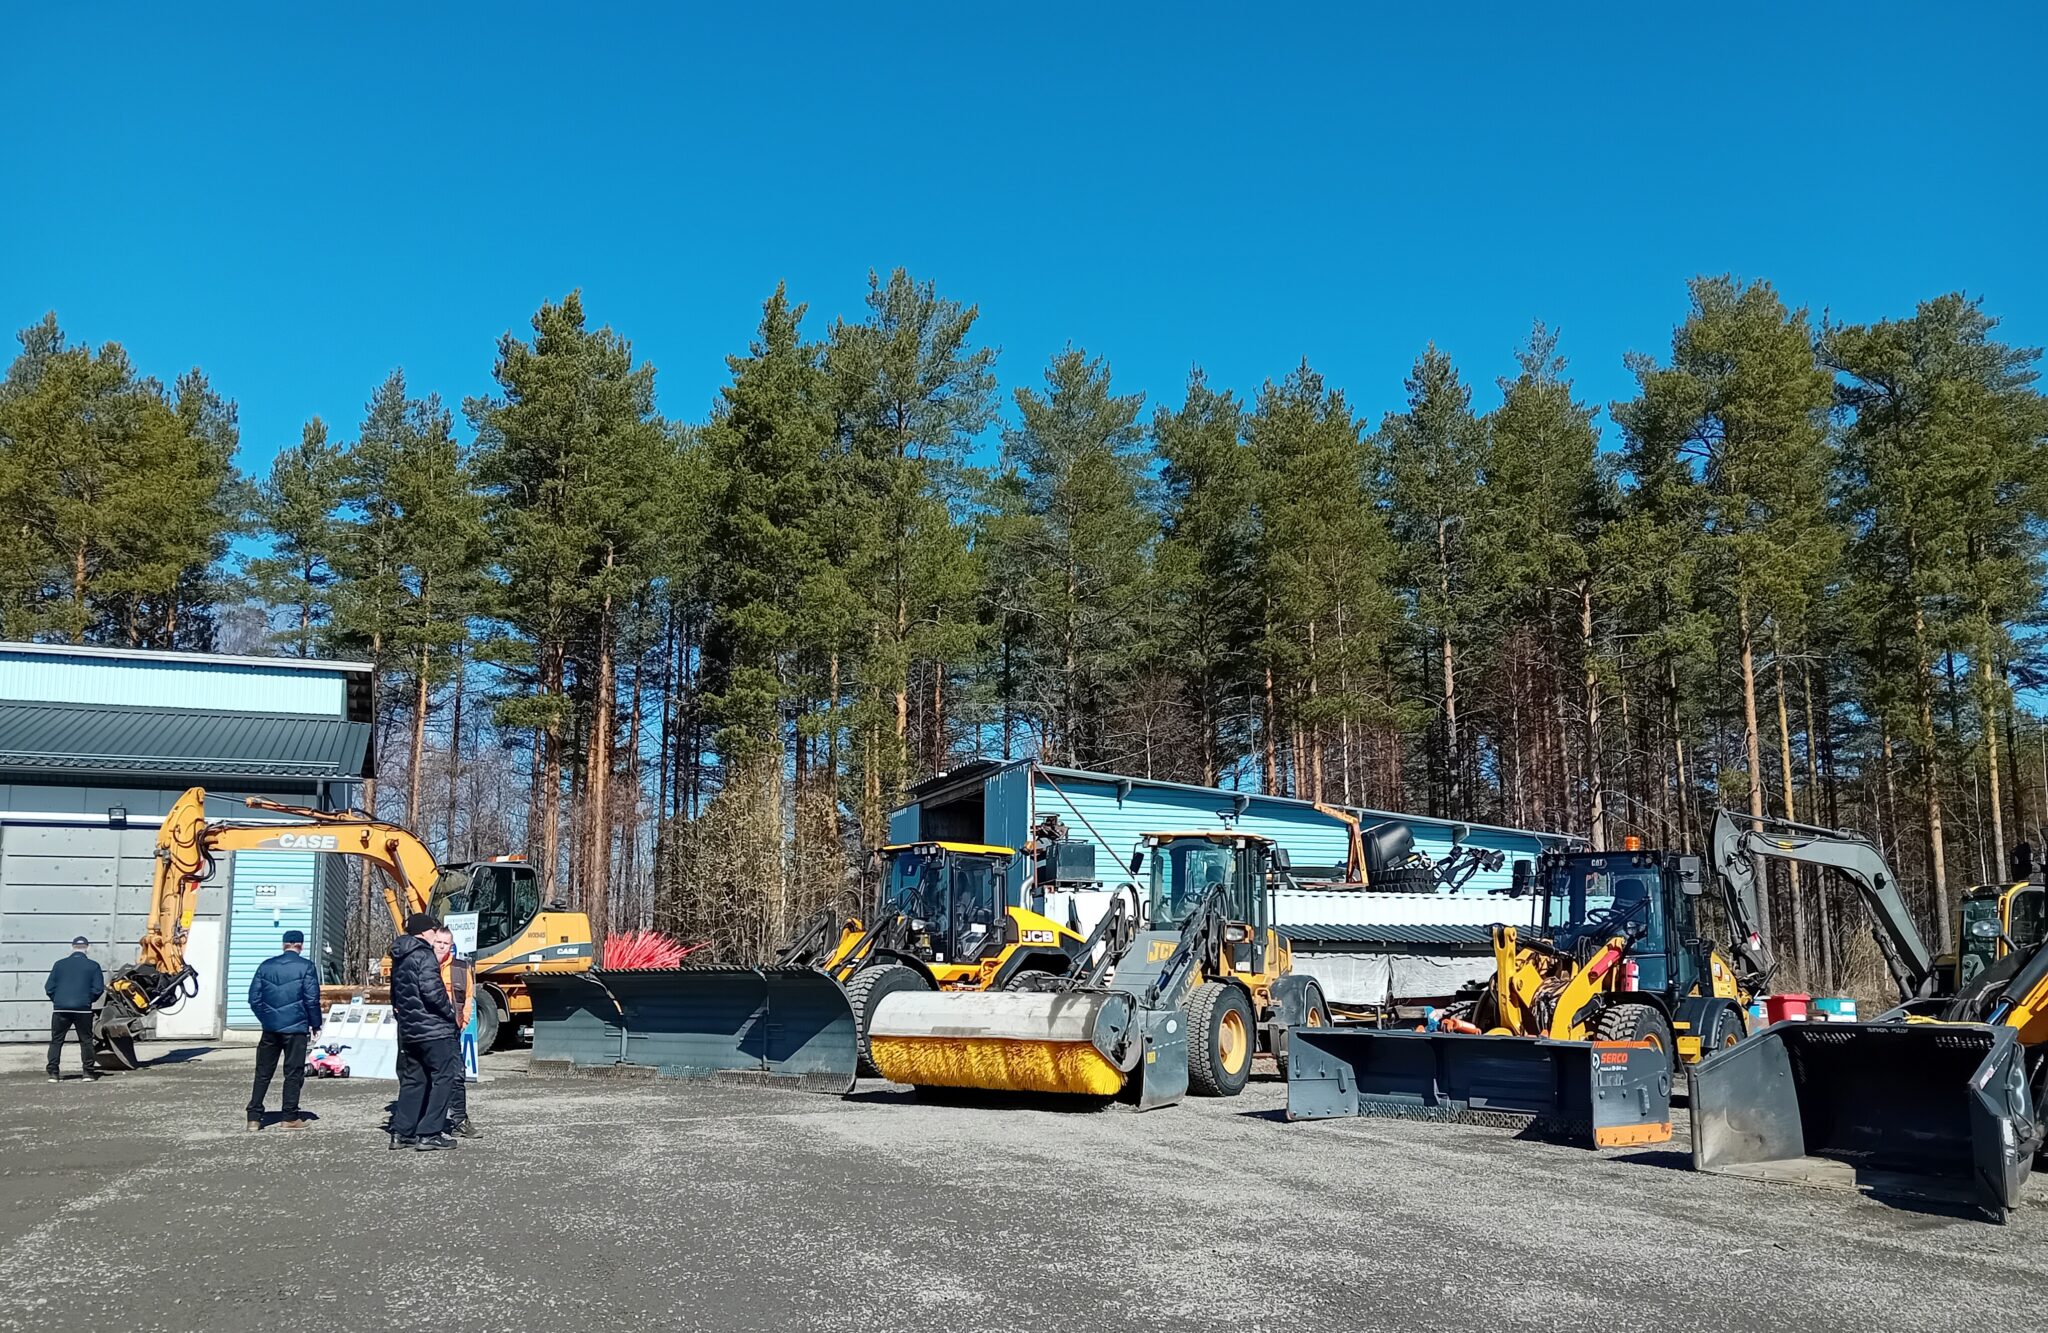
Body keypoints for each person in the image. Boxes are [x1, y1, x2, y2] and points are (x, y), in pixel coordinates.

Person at [388, 912, 462, 1151]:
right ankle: (429, 1132)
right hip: (433, 1029)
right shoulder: (424, 955)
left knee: (414, 1079)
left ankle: (402, 1132)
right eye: (433, 930)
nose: (435, 935)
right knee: (444, 1077)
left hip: (409, 1029)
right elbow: (432, 991)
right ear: (423, 932)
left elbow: (395, 995)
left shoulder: (400, 956)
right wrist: (449, 1012)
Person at [245, 928, 323, 1130]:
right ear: (300, 945)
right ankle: (289, 1117)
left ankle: (254, 1117)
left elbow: (253, 998)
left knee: (263, 1071)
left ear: (284, 944)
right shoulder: (306, 967)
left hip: (270, 1029)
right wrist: (316, 1024)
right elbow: (312, 999)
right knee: (293, 1072)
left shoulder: (266, 966)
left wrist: (267, 1017)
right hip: (296, 1028)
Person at [430, 925, 480, 1139]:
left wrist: (464, 1019)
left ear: (451, 946)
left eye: (445, 944)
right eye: (438, 942)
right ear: (432, 943)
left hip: (451, 1028)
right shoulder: (425, 965)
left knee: (457, 1075)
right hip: (428, 1028)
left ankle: (459, 1119)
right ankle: (430, 1121)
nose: (441, 947)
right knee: (427, 1076)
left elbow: (468, 996)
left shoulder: (461, 967)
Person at [45, 936, 104, 1083]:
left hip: (60, 1009)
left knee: (56, 1041)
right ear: (87, 948)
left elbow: (49, 988)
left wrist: (58, 1001)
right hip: (82, 1009)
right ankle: (88, 1073)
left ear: (72, 947)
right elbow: (98, 989)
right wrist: (87, 1000)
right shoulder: (93, 966)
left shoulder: (59, 965)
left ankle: (53, 1073)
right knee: (86, 1041)